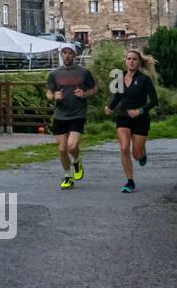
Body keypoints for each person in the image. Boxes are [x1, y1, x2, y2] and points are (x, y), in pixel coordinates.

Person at [105, 49, 159, 193]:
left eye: (134, 59)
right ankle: (130, 182)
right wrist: (110, 107)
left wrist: (139, 111)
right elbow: (118, 96)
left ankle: (142, 153)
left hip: (141, 119)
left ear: (139, 62)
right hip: (123, 117)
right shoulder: (120, 77)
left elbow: (154, 101)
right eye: (129, 58)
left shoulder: (144, 79)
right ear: (125, 61)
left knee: (136, 154)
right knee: (123, 147)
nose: (131, 61)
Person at [46, 42, 98, 189]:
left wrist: (85, 93)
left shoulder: (84, 73)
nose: (67, 55)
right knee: (62, 149)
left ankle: (76, 160)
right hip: (60, 114)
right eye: (65, 52)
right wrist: (53, 96)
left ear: (74, 55)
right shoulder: (54, 74)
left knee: (72, 145)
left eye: (70, 53)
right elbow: (48, 92)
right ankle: (68, 176)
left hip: (78, 114)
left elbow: (94, 89)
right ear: (61, 54)